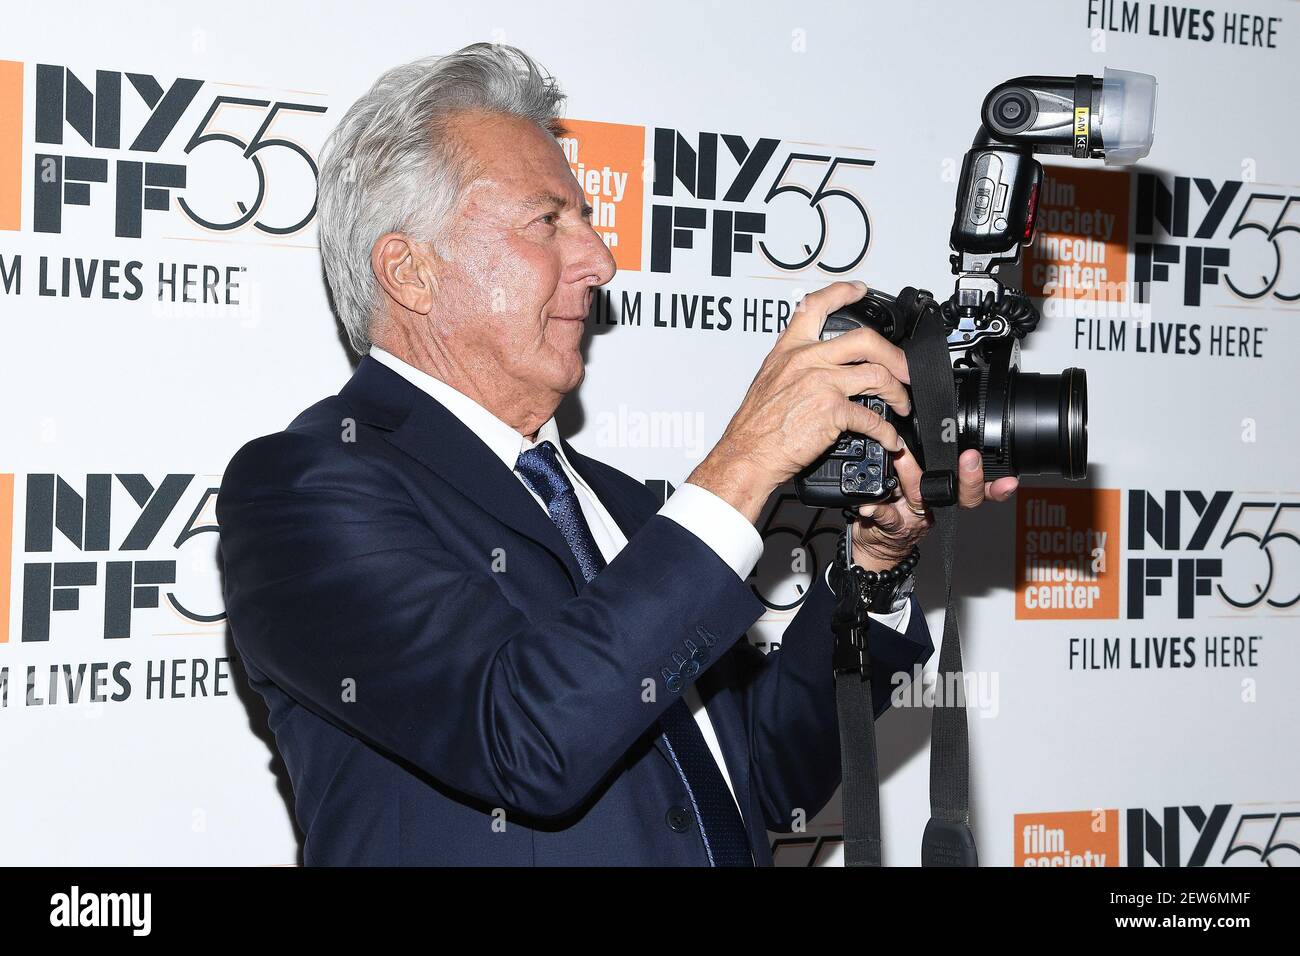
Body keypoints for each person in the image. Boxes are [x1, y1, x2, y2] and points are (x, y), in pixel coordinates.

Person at [216, 42, 1018, 866]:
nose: (600, 260)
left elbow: (763, 777)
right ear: (411, 271)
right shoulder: (303, 490)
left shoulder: (621, 507)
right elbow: (525, 738)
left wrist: (876, 562)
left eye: (588, 219)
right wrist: (747, 460)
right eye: (548, 220)